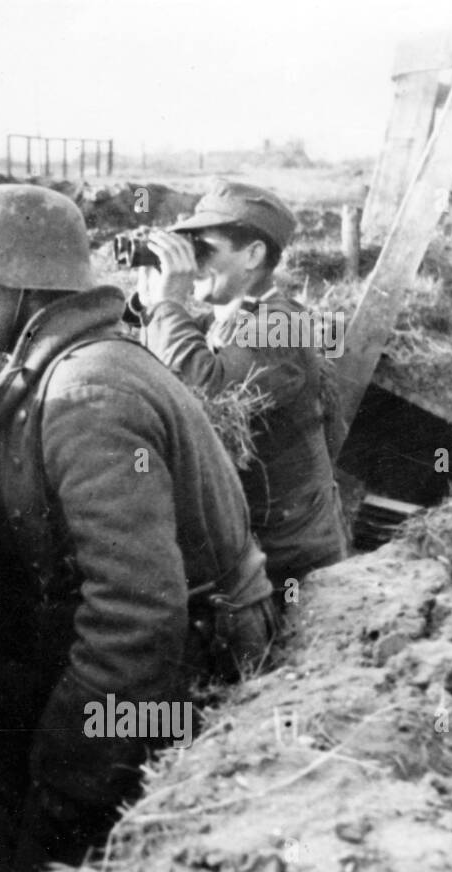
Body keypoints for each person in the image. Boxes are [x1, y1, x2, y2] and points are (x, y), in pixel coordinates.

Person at [0, 183, 278, 870]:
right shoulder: (70, 363)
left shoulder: (88, 393)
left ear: (21, 277)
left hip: (185, 667)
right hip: (170, 646)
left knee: (58, 842)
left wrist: (65, 777)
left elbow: (138, 613)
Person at [126, 179, 348, 593]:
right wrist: (148, 303)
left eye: (204, 250)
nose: (193, 265)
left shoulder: (280, 327)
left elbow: (206, 390)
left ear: (253, 255)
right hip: (254, 539)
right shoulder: (225, 320)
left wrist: (169, 305)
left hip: (294, 562)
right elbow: (155, 374)